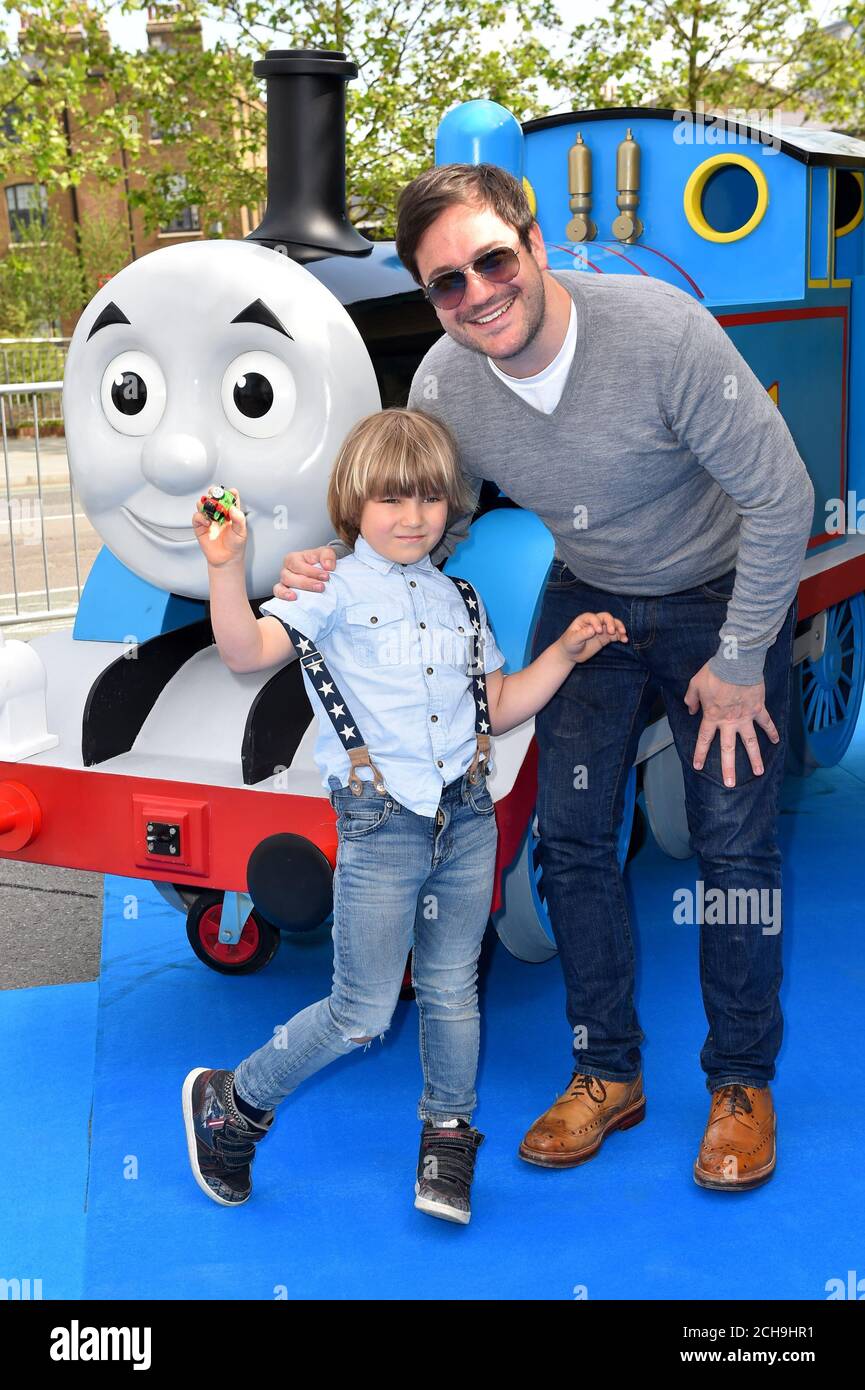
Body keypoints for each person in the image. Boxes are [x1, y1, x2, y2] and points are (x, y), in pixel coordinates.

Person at [274, 164, 816, 1192]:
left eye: (491, 259)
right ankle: (605, 1067)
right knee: (570, 840)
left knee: (734, 846)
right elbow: (427, 518)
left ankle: (741, 1080)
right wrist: (327, 567)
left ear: (531, 242)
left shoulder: (660, 333)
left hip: (715, 587)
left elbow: (782, 497)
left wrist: (743, 661)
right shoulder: (443, 383)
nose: (476, 292)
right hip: (593, 592)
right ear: (428, 294)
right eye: (446, 282)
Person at [182, 407, 627, 1224]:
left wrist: (562, 654)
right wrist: (227, 565)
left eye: (427, 498)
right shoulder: (328, 588)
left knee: (455, 989)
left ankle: (447, 1142)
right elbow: (247, 653)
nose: (412, 516)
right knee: (360, 1012)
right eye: (391, 499)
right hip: (381, 822)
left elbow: (497, 702)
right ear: (353, 504)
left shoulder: (460, 598)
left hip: (466, 815)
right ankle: (232, 1102)